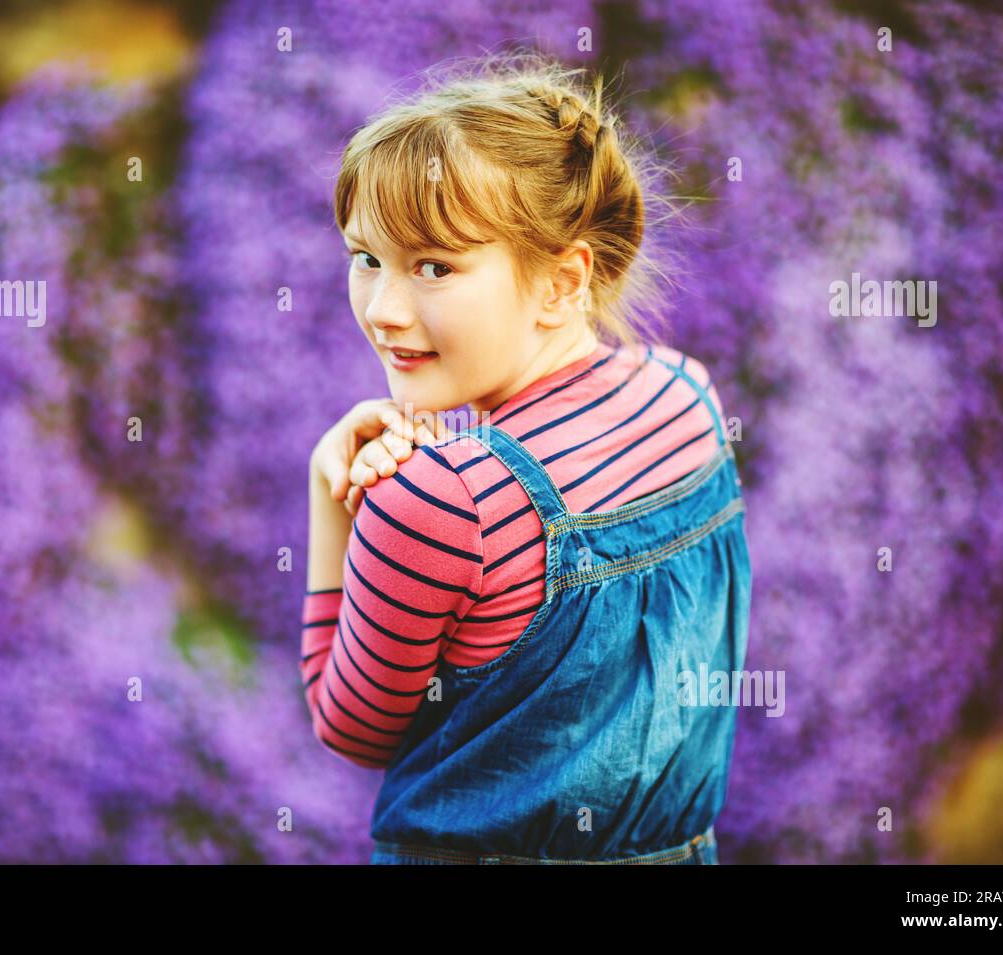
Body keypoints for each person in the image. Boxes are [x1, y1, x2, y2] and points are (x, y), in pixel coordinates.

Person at [302, 50, 751, 864]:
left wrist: (329, 500)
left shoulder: (438, 499)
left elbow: (350, 726)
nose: (382, 309)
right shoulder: (689, 396)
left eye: (434, 266)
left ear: (561, 282)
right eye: (367, 258)